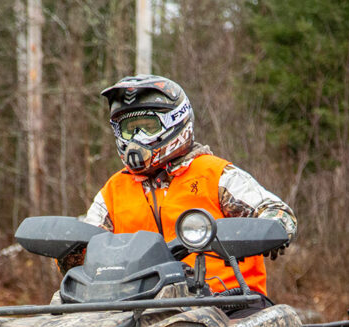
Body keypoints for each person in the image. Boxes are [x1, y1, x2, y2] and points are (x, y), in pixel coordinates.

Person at [71, 74, 297, 299]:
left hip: (228, 302)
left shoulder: (215, 175)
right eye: (129, 130)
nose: (136, 139)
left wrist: (270, 227)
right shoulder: (114, 190)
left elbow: (277, 211)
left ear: (175, 121)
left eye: (148, 127)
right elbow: (88, 241)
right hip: (139, 305)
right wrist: (70, 248)